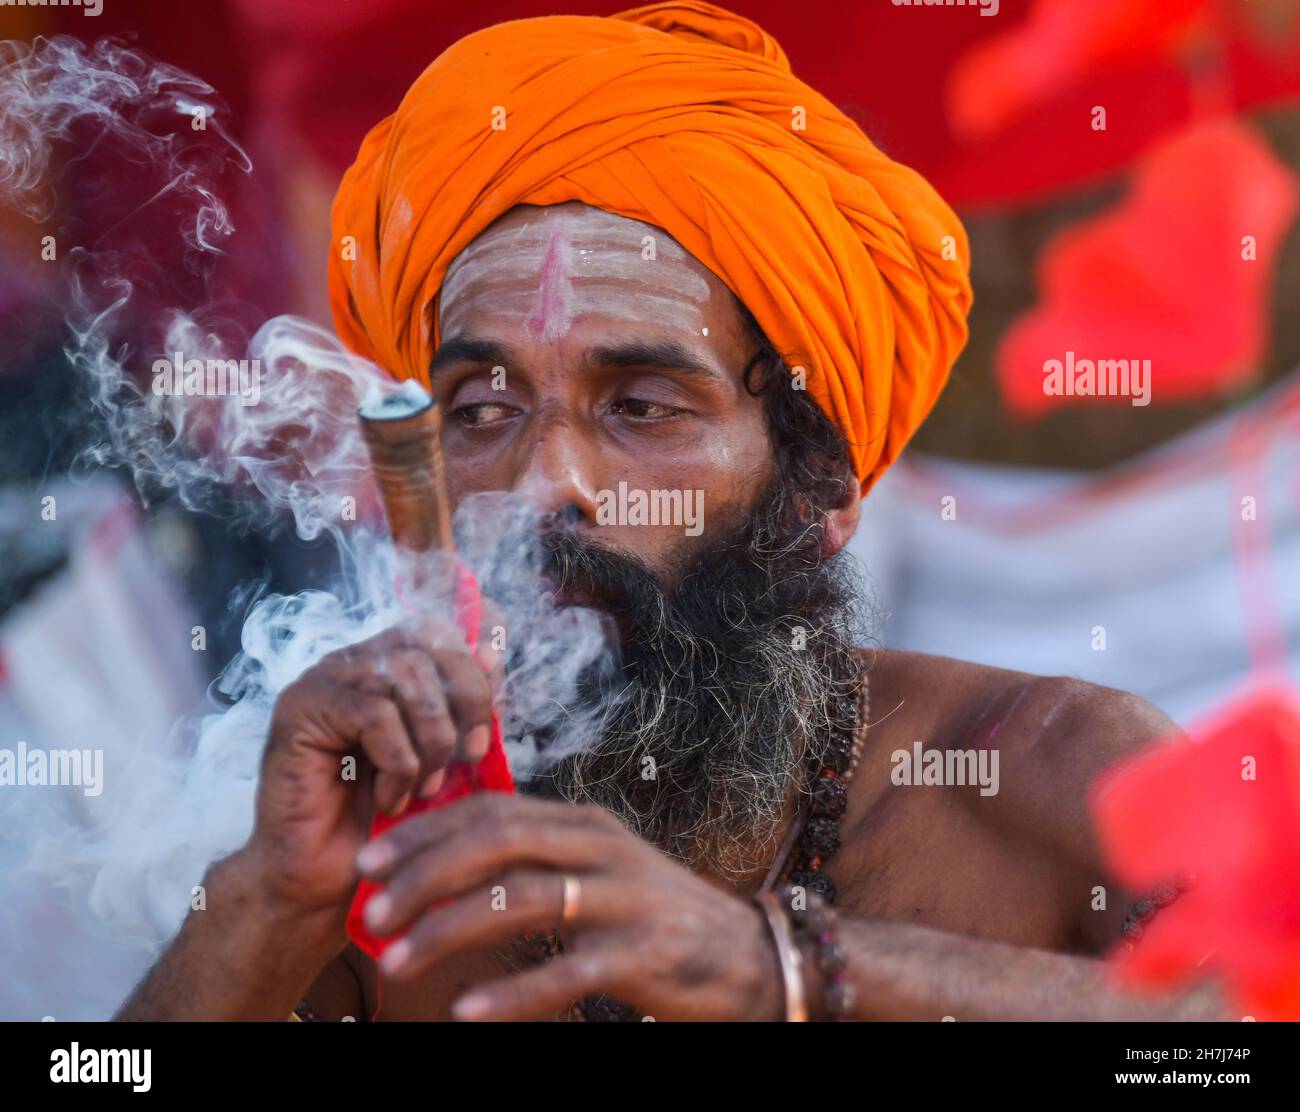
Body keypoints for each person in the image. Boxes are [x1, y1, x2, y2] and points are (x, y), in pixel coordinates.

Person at [116, 2, 1225, 1021]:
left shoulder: (1041, 771)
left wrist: (774, 967)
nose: (549, 482)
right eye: (482, 406)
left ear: (821, 482)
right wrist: (268, 899)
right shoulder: (369, 859)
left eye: (642, 405)